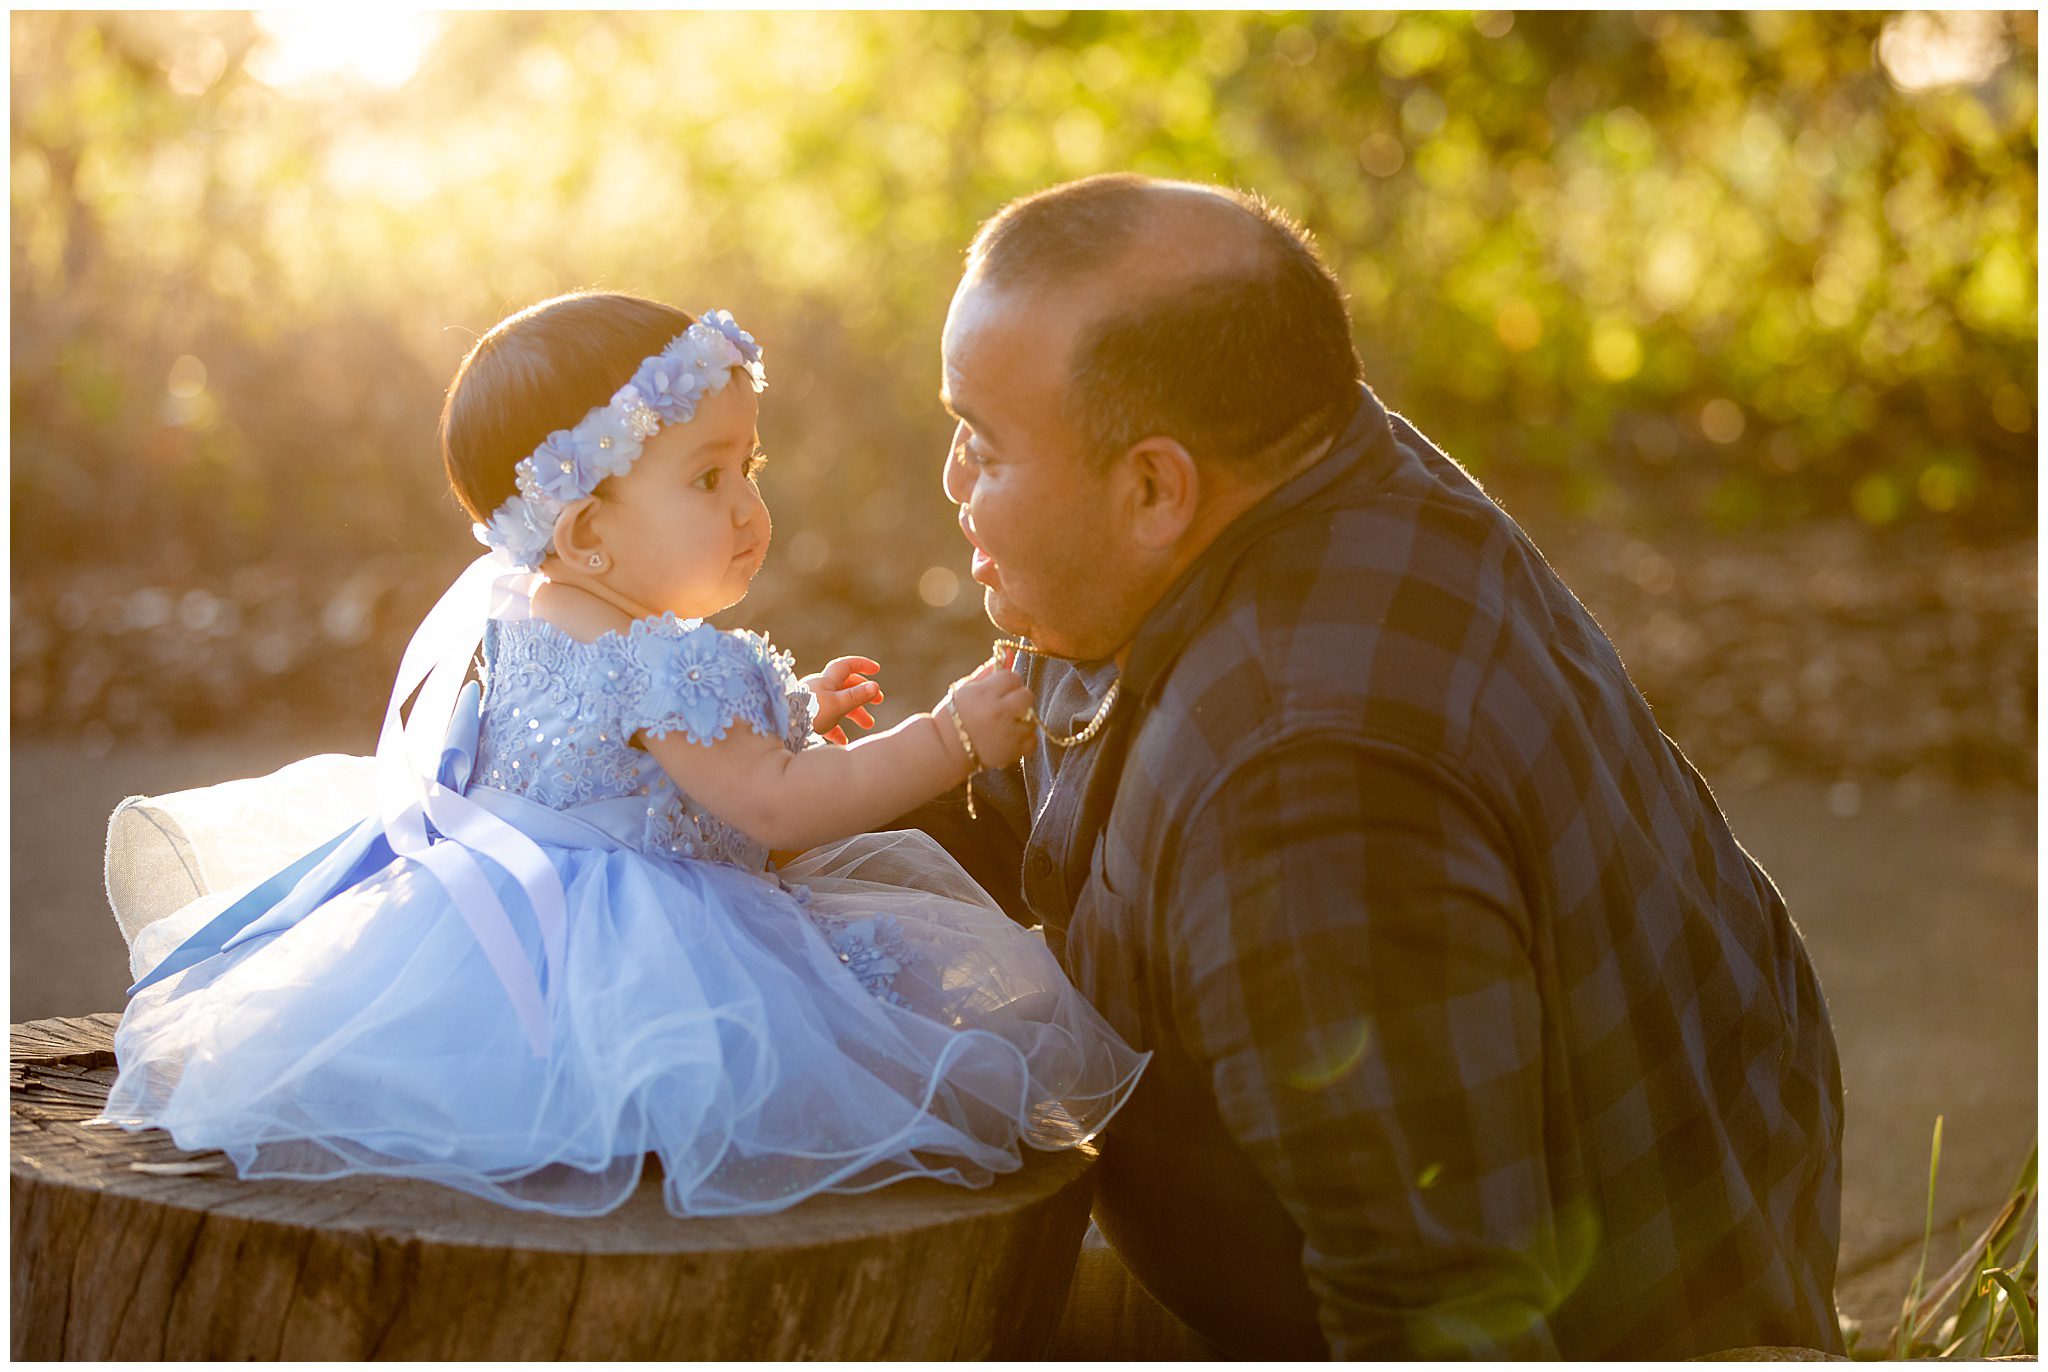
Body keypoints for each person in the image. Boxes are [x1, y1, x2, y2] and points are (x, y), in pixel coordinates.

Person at [911, 174, 1844, 1358]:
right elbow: (1036, 808)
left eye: (980, 445)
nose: (949, 479)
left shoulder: (1302, 797)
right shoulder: (1298, 471)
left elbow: (1437, 1314)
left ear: (1153, 486)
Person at [90, 291, 1146, 1218]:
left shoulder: (531, 613)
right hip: (628, 947)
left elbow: (641, 758)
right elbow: (775, 808)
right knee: (721, 1070)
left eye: (750, 465)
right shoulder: (655, 663)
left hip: (487, 922)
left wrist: (793, 706)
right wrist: (950, 737)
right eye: (705, 478)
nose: (746, 505)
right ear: (587, 532)